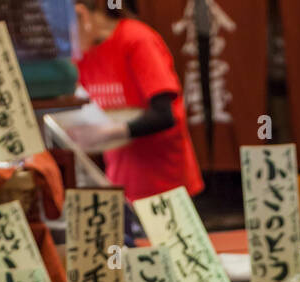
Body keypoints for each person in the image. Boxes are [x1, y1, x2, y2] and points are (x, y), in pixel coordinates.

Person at [74, 0, 204, 203]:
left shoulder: (137, 39)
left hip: (165, 182)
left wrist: (108, 132)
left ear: (81, 14)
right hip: (120, 182)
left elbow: (164, 114)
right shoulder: (83, 54)